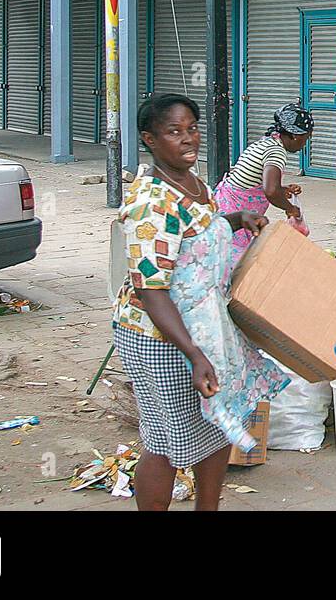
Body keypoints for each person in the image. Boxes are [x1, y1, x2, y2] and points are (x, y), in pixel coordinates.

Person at [113, 94, 288, 511]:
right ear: (150, 139)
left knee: (215, 428)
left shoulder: (193, 184)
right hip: (159, 335)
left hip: (202, 326)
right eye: (174, 132)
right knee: (167, 441)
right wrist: (194, 355)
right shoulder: (150, 202)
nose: (188, 139)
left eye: (192, 128)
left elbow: (199, 229)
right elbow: (151, 290)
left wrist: (236, 219)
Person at [212, 102, 314, 265]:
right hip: (234, 210)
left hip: (226, 203)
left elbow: (254, 181)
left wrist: (284, 189)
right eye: (305, 138)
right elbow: (270, 191)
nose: (305, 143)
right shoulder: (276, 152)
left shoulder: (267, 142)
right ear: (295, 135)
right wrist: (291, 209)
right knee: (235, 265)